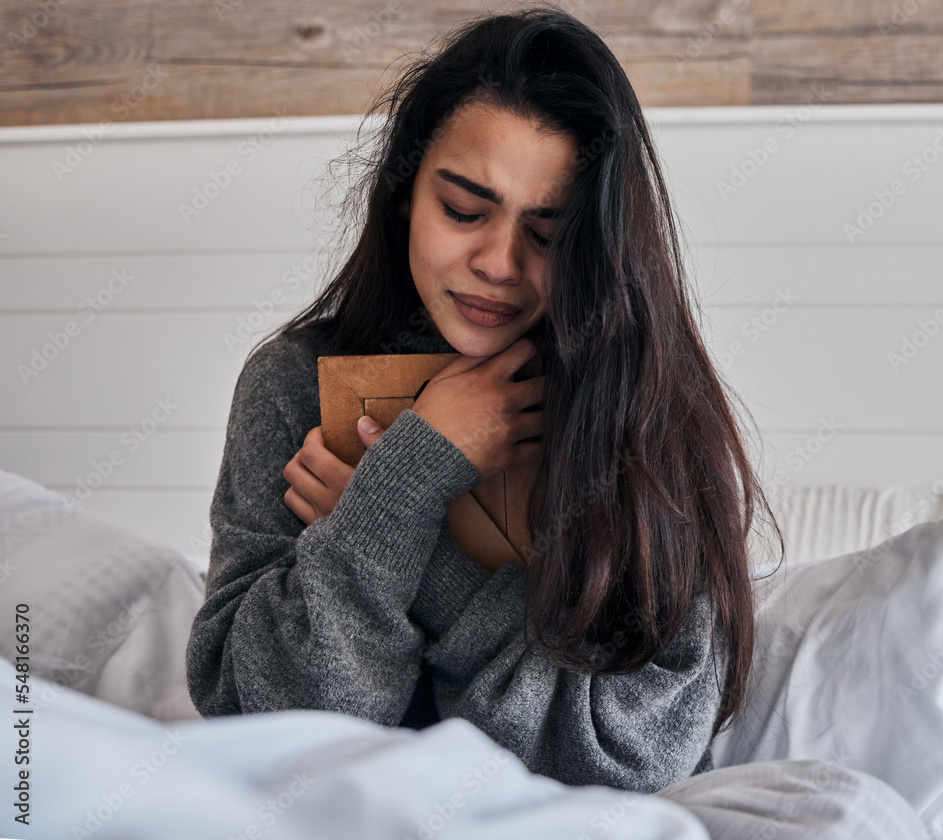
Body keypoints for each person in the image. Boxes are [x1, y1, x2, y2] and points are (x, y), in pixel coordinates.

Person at [185, 5, 782, 794]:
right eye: (464, 211)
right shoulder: (291, 384)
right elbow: (258, 726)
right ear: (404, 192)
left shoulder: (650, 411)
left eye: (550, 234)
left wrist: (397, 515)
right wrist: (407, 482)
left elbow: (632, 757)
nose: (499, 262)